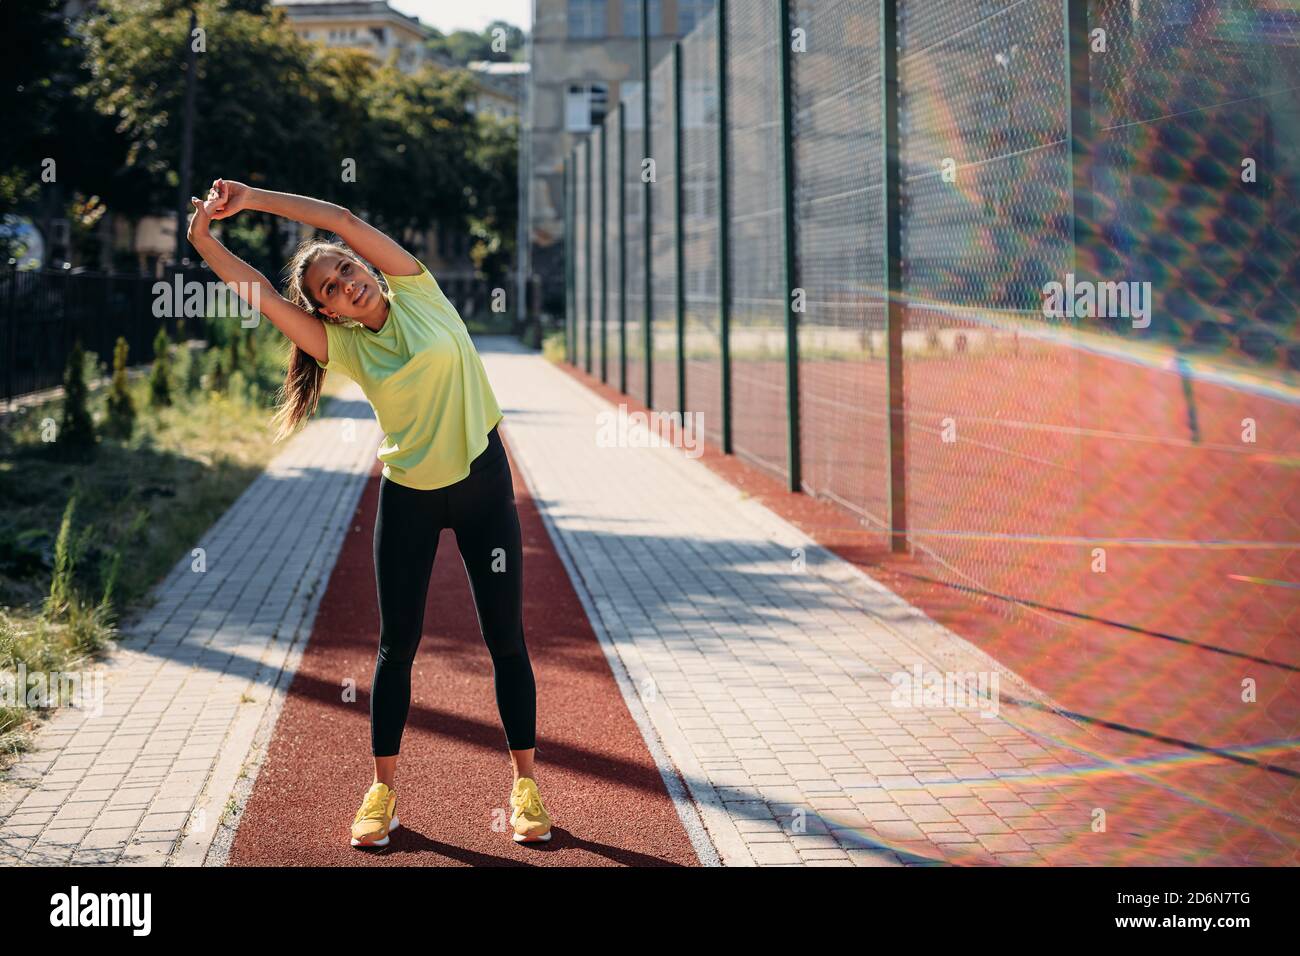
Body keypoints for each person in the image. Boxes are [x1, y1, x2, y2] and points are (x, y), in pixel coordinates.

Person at [186, 180, 551, 847]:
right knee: (396, 647)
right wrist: (205, 240)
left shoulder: (415, 287)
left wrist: (251, 200)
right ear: (330, 313)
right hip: (410, 495)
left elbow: (339, 216)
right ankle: (382, 791)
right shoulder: (347, 347)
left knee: (506, 639)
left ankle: (525, 786)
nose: (345, 283)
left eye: (346, 269)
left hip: (481, 484)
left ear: (366, 268)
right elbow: (260, 296)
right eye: (329, 289)